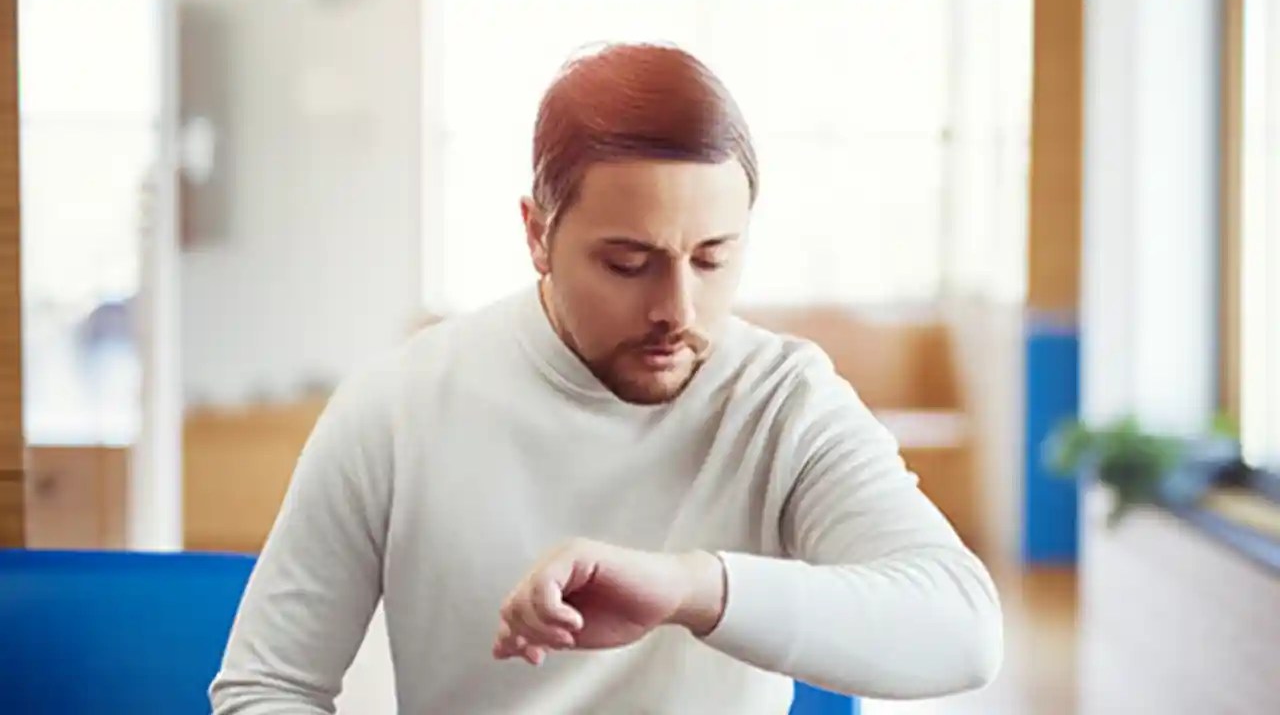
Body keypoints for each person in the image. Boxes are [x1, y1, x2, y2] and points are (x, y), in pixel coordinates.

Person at [210, 42, 1003, 714]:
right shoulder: (398, 406)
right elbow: (267, 684)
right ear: (536, 234)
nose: (677, 308)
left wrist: (692, 589)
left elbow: (962, 632)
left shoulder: (783, 400)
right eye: (629, 263)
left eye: (713, 258)